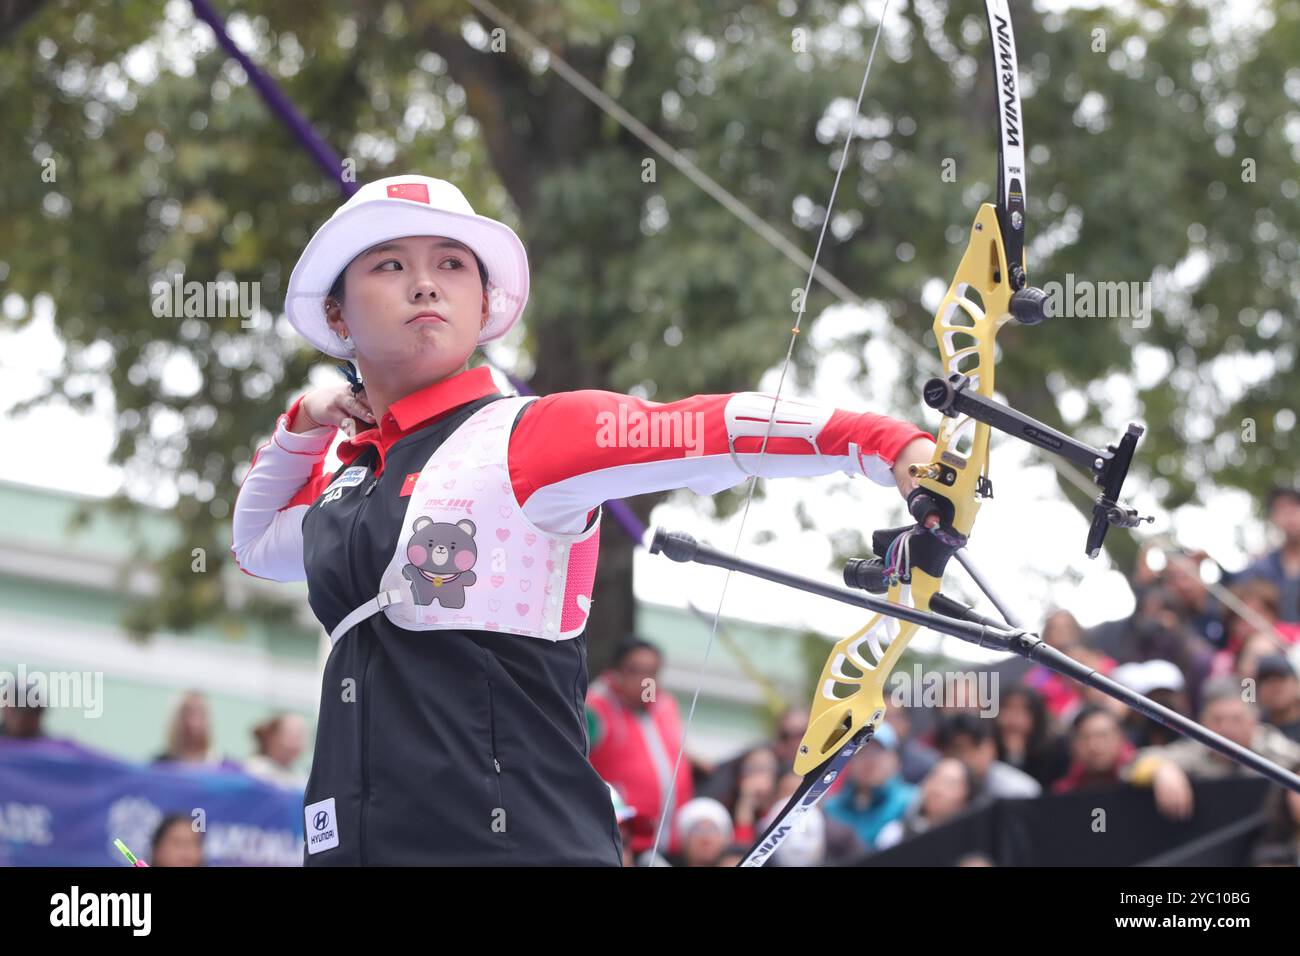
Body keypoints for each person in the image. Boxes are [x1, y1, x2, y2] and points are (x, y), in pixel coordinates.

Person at [230, 175, 939, 865]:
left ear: (484, 307)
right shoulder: (348, 484)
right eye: (391, 265)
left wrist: (887, 444)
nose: (425, 283)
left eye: (451, 264)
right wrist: (302, 424)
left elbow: (703, 428)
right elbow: (255, 544)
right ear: (336, 316)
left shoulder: (525, 435)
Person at [1123, 679, 1300, 820]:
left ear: (1254, 720)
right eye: (1217, 719)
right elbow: (1132, 764)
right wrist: (1161, 769)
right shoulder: (1196, 750)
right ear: (1203, 722)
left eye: (1236, 719)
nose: (1227, 728)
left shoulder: (1277, 749)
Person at [586, 637, 691, 855]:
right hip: (622, 847)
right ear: (615, 673)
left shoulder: (666, 706)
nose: (645, 681)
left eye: (652, 672)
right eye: (635, 671)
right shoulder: (595, 709)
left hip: (672, 846)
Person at [823, 722, 916, 849]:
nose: (869, 761)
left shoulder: (912, 802)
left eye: (878, 752)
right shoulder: (832, 809)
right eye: (862, 751)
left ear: (895, 758)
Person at [933, 712, 1040, 804]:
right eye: (960, 750)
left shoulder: (1019, 790)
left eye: (975, 747)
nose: (968, 757)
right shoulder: (937, 791)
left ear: (991, 747)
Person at [1233, 486, 1300, 623]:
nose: (1289, 517)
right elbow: (1236, 586)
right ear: (1273, 518)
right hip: (1278, 638)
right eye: (1281, 510)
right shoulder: (1262, 567)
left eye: (1294, 508)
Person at [1052, 706, 1135, 794]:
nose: (1094, 747)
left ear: (1120, 738)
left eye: (1103, 736)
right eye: (1085, 738)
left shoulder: (1142, 776)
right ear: (1073, 745)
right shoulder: (1064, 791)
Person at [244, 713, 309, 789]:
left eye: (301, 736)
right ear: (272, 738)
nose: (298, 743)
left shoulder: (299, 776)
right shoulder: (256, 768)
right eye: (293, 735)